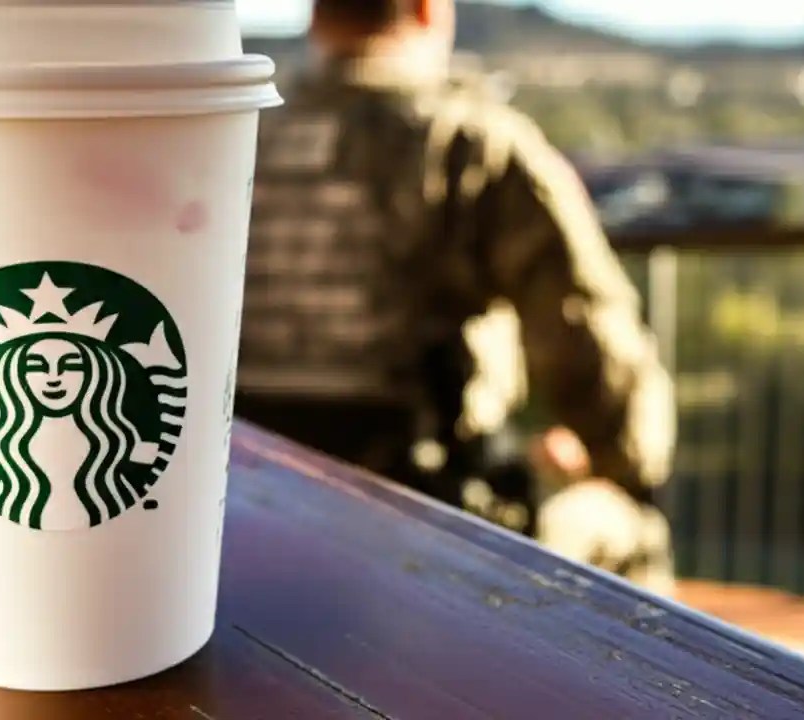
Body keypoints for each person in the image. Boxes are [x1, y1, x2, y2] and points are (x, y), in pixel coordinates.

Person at [237, 0, 675, 593]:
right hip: (420, 520)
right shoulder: (469, 142)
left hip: (246, 507)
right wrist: (625, 468)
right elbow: (589, 339)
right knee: (626, 528)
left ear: (315, 14)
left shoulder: (240, 132)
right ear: (427, 10)